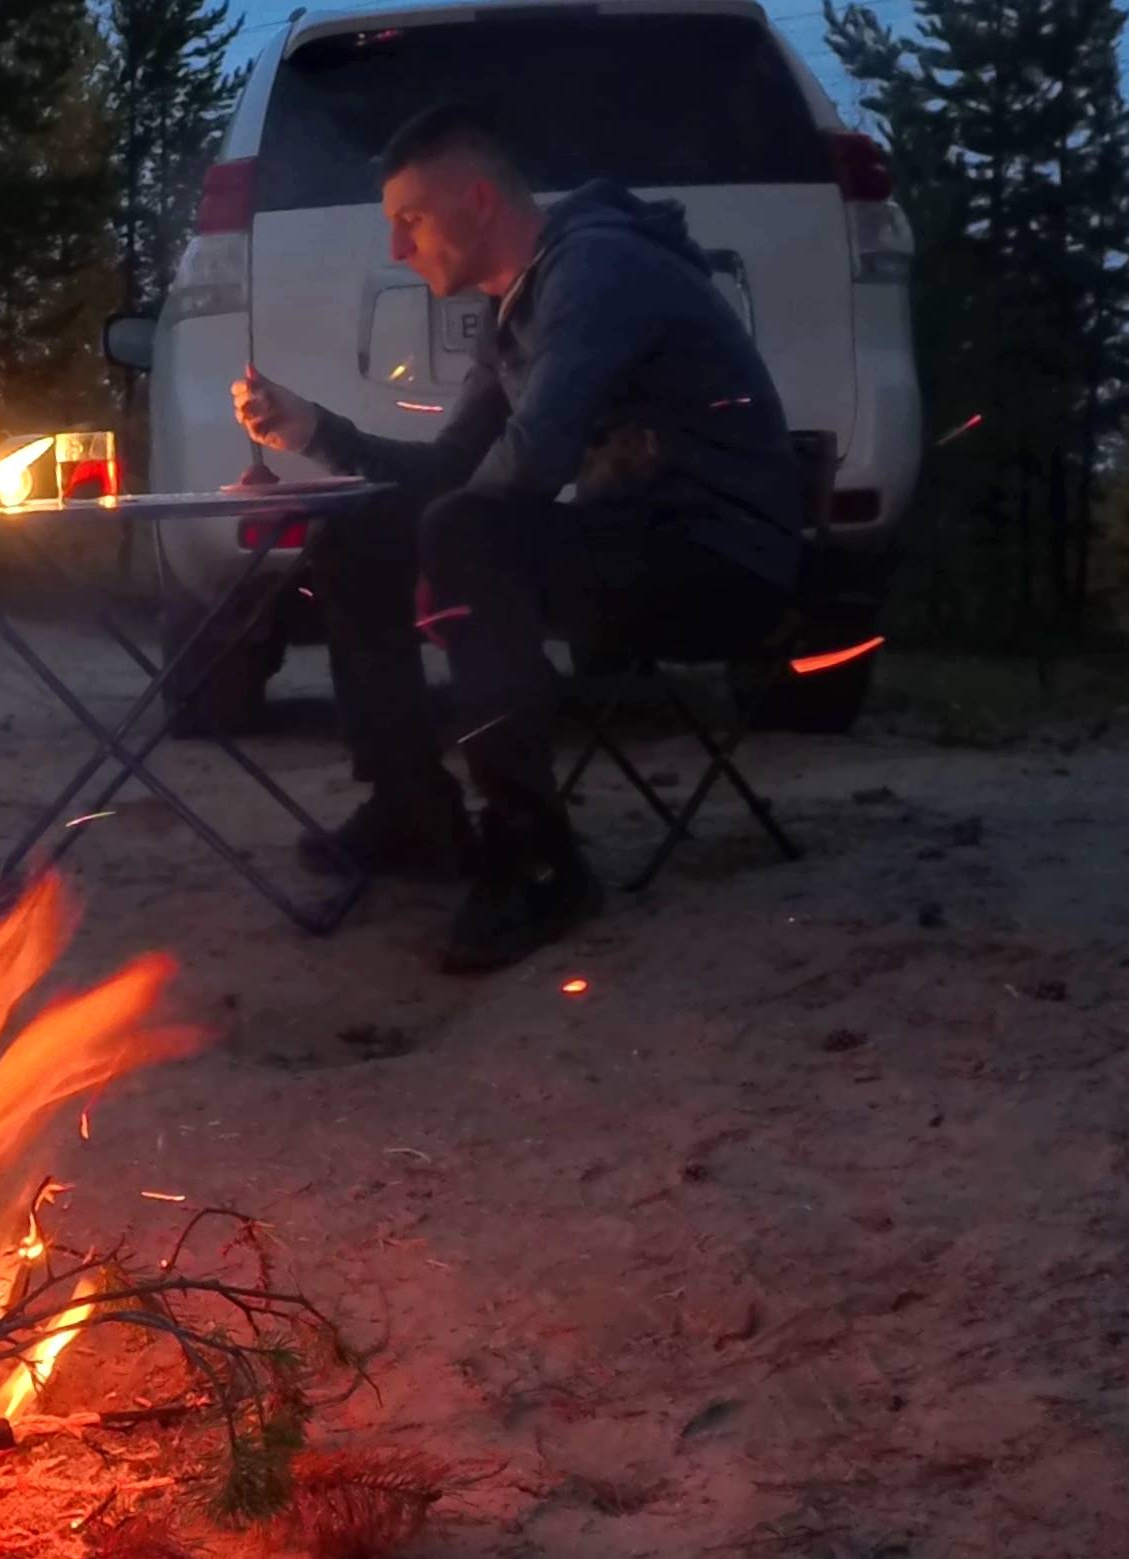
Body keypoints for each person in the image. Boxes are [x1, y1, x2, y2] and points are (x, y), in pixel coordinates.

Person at [233, 102, 806, 973]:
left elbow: (529, 462)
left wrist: (438, 554)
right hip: (631, 542)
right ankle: (411, 810)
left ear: (477, 202)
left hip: (718, 563)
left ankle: (535, 855)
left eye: (410, 220)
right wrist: (310, 430)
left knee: (465, 534)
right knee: (361, 528)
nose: (397, 249)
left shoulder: (598, 269)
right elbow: (449, 469)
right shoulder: (519, 309)